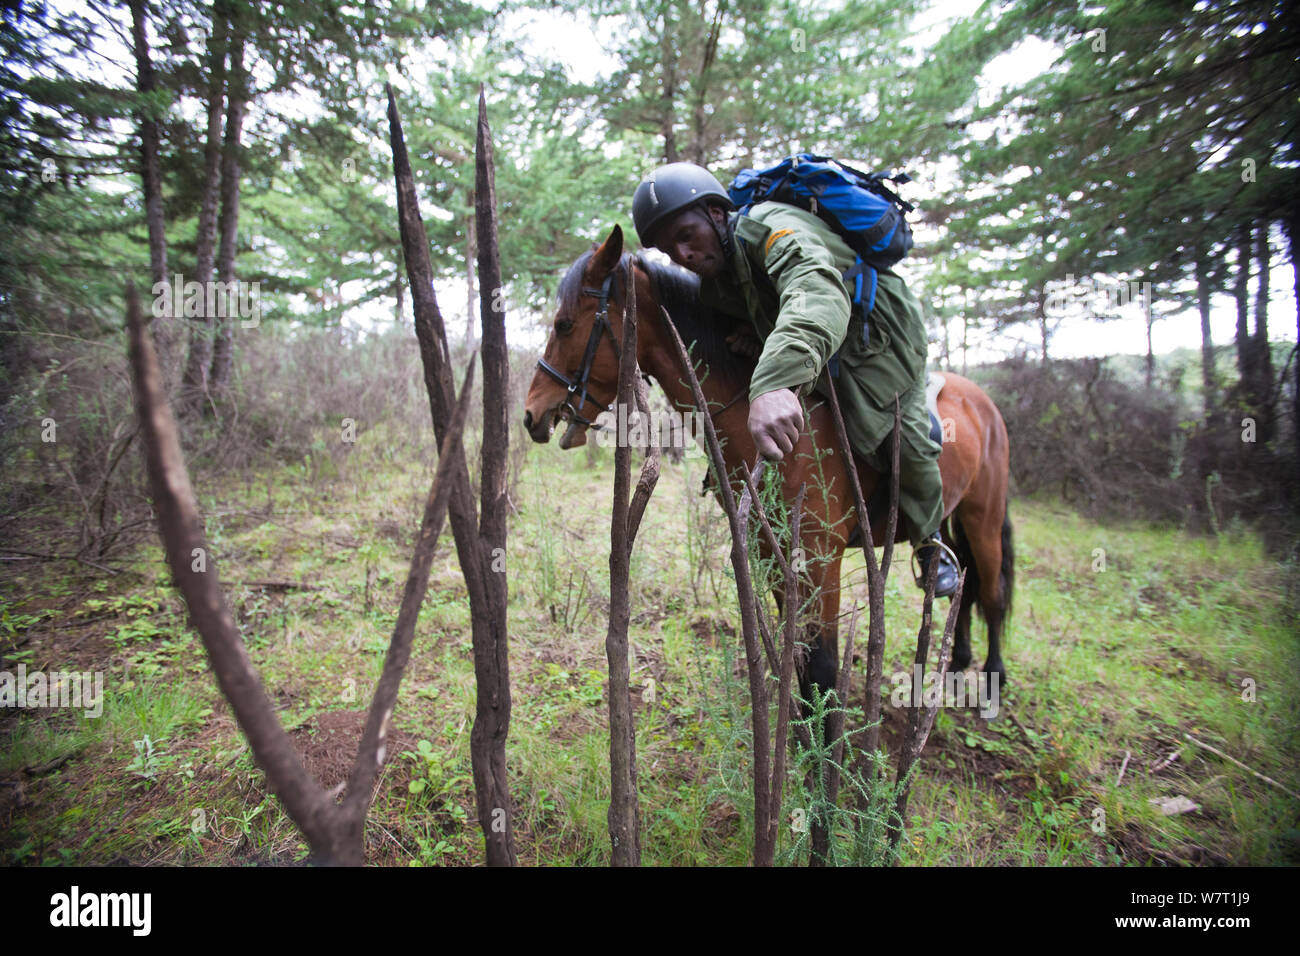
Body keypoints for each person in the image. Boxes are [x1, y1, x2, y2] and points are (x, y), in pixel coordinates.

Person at [631, 161, 960, 596]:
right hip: (826, 344)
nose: (683, 255)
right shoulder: (723, 277)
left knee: (905, 433)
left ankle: (930, 542)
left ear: (715, 213)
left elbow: (815, 292)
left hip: (879, 338)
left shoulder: (774, 228)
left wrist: (773, 383)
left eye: (686, 235)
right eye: (670, 249)